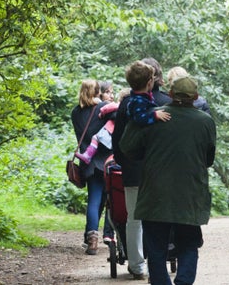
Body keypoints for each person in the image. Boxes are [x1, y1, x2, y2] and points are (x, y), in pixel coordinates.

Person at [120, 74, 216, 285]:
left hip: (155, 192)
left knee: (156, 246)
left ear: (170, 94)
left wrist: (148, 155)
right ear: (196, 97)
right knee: (188, 243)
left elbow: (127, 147)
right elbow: (209, 158)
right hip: (190, 194)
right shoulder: (205, 122)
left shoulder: (153, 116)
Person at [110, 60, 172, 279]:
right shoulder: (167, 102)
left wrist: (123, 161)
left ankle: (137, 264)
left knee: (133, 218)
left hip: (133, 170)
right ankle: (161, 257)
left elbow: (117, 139)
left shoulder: (126, 104)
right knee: (161, 216)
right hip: (159, 171)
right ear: (153, 79)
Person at [71, 79, 114, 255]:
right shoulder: (102, 109)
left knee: (94, 200)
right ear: (98, 92)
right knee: (109, 200)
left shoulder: (75, 112)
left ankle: (92, 240)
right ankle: (108, 235)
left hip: (87, 162)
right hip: (105, 161)